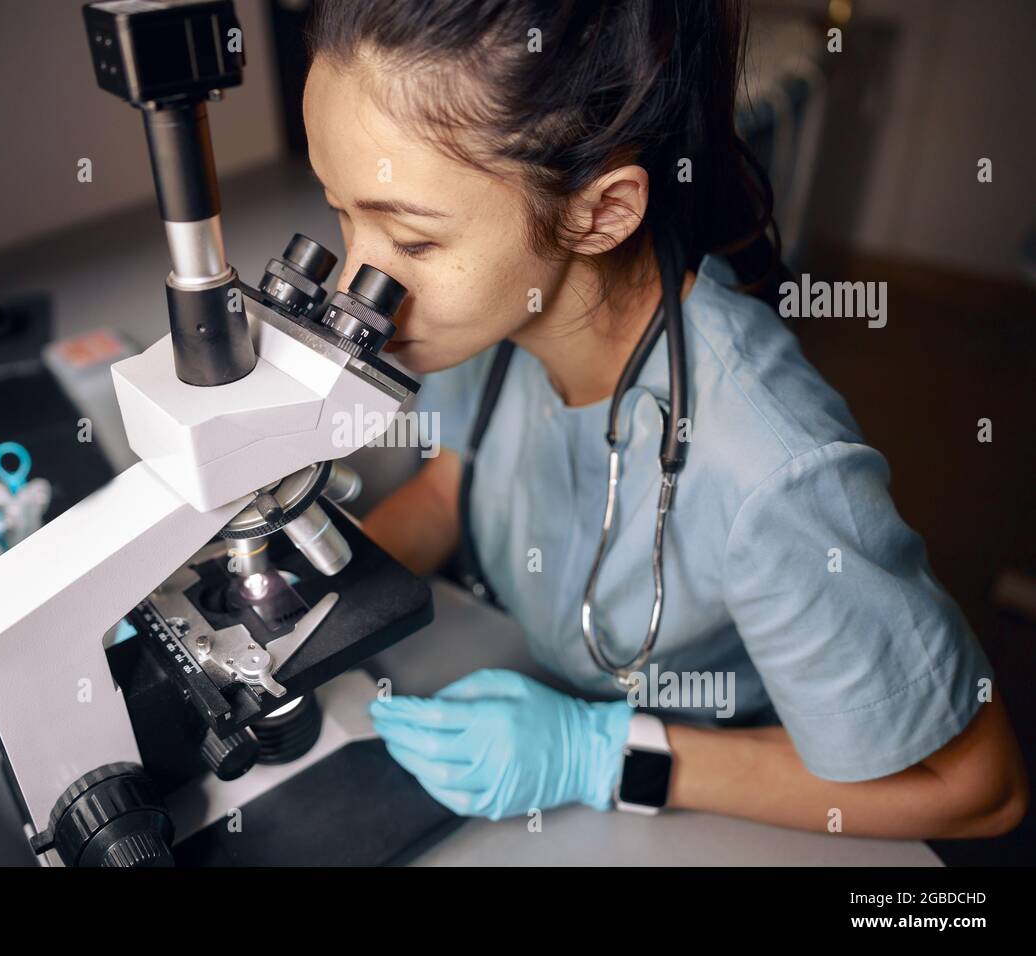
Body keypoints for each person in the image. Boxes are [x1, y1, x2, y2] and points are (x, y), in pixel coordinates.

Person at [300, 0, 1028, 837]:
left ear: (601, 211)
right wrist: (307, 604)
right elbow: (449, 489)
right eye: (341, 212)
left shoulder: (772, 466)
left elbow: (982, 785)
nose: (358, 291)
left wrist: (605, 754)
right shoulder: (490, 327)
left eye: (413, 243)